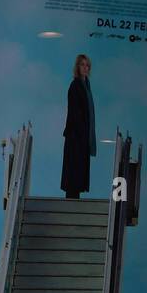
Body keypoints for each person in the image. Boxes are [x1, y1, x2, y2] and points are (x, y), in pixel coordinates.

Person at [61, 52, 96, 199]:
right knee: (74, 174)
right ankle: (71, 202)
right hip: (76, 137)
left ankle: (73, 199)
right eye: (82, 64)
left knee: (77, 173)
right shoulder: (76, 85)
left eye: (87, 65)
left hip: (81, 137)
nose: (85, 68)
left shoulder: (86, 86)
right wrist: (81, 135)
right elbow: (75, 114)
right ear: (77, 67)